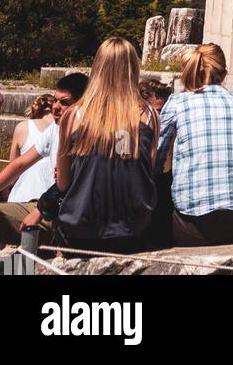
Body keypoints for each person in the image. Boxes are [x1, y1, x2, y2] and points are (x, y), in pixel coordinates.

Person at [54, 37, 158, 254]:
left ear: (97, 68)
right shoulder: (148, 115)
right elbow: (140, 170)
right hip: (132, 230)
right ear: (133, 69)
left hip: (81, 227)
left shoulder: (74, 115)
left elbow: (63, 184)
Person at [158, 43, 233, 247]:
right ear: (224, 74)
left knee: (160, 193)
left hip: (197, 224)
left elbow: (155, 159)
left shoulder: (177, 103)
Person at [0, 72, 88, 248]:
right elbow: (20, 164)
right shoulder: (54, 129)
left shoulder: (86, 135)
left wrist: (39, 211)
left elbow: (69, 186)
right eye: (55, 100)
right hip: (45, 206)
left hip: (63, 215)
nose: (56, 107)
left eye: (64, 102)